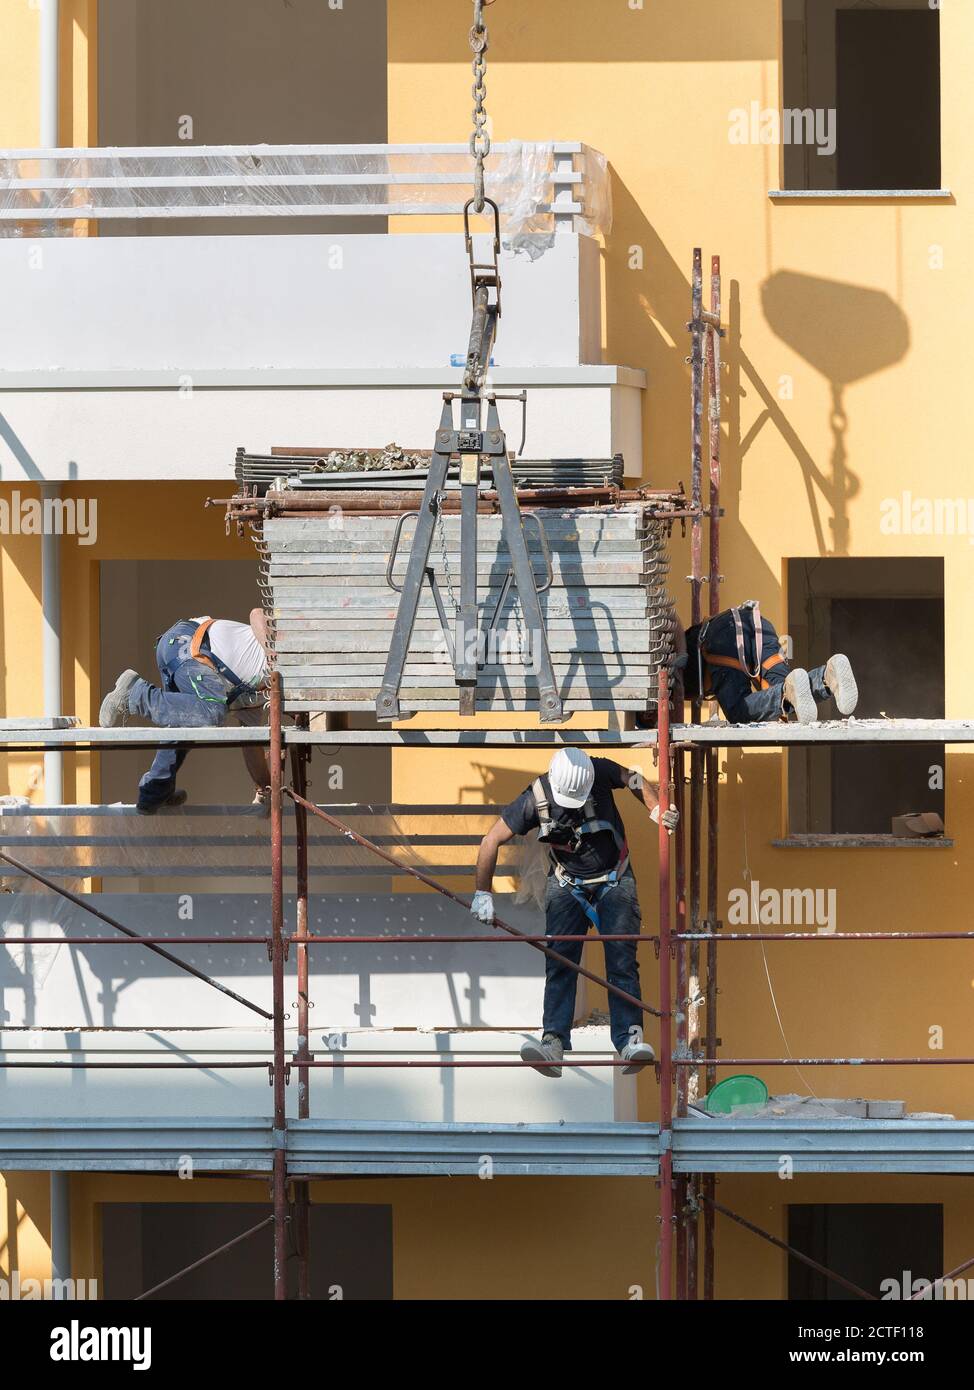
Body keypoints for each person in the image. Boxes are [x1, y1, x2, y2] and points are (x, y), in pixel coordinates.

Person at [471, 747, 679, 1078]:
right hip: (566, 884)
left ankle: (630, 1040)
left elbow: (635, 778)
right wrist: (482, 892)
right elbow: (491, 840)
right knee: (561, 962)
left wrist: (656, 808)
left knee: (622, 960)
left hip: (614, 878)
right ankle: (553, 1042)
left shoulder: (599, 770)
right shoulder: (536, 795)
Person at [99, 611, 272, 815]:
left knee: (185, 722)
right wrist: (273, 654)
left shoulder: (257, 697)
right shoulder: (288, 656)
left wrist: (264, 789)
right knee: (211, 712)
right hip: (188, 643)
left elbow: (250, 744)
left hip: (182, 649)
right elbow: (257, 614)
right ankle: (135, 694)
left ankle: (155, 790)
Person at [673, 601, 858, 725]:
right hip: (755, 624)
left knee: (739, 711)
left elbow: (672, 616)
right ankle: (827, 677)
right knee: (787, 689)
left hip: (723, 640)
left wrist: (681, 655)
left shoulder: (657, 679)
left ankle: (788, 692)